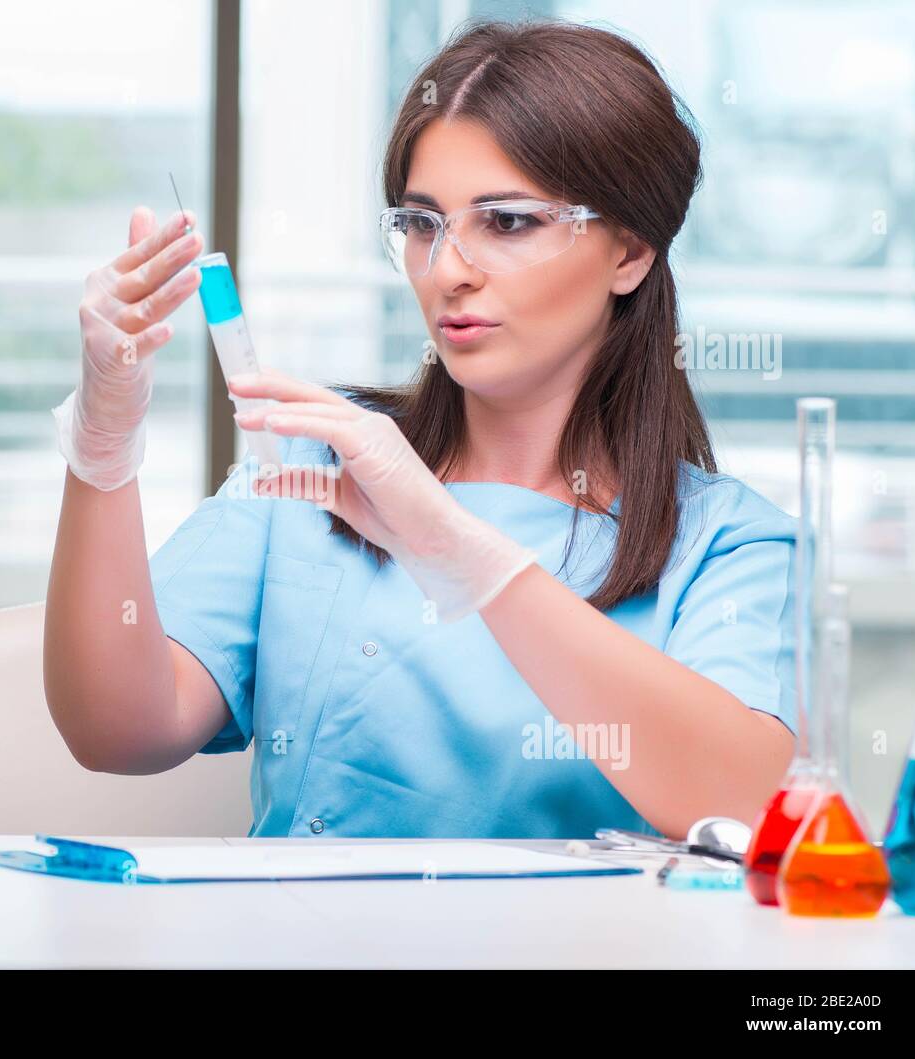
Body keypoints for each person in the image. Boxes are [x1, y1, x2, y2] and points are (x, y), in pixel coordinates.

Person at [43, 19, 796, 840]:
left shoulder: (730, 543)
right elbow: (116, 727)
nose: (448, 270)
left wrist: (454, 545)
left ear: (631, 252)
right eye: (422, 224)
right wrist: (104, 445)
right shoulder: (313, 459)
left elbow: (748, 809)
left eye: (507, 222)